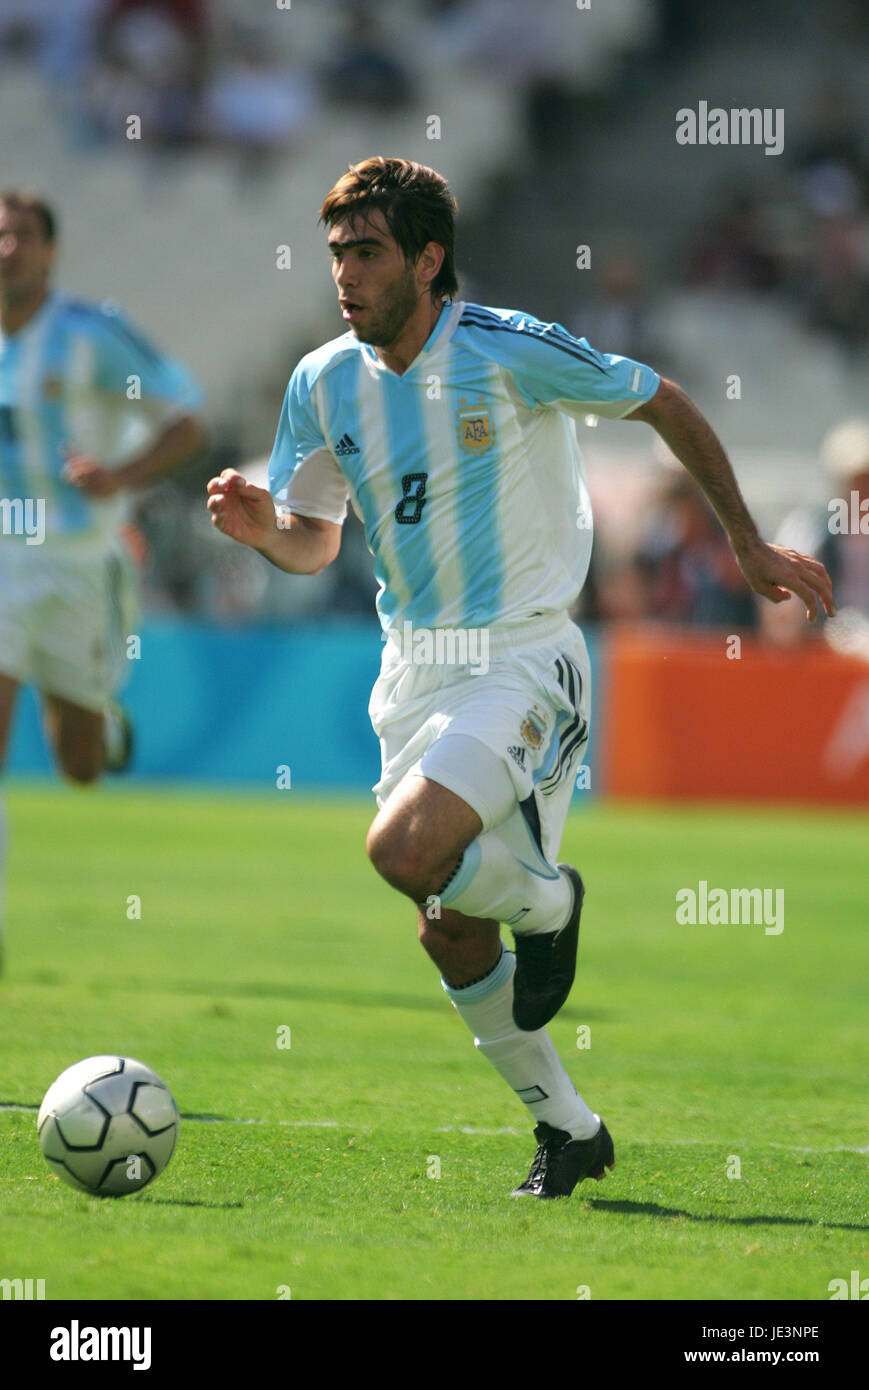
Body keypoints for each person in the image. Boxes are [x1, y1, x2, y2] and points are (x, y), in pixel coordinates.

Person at [206, 157, 834, 1199]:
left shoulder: (502, 349)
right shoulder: (322, 381)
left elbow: (661, 399)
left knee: (404, 849)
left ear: (427, 256)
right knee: (446, 925)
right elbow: (317, 539)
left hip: (522, 657)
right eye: (335, 255)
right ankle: (569, 1128)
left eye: (365, 253)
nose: (344, 276)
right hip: (409, 671)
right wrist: (262, 530)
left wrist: (749, 544)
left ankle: (549, 905)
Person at [0, 189, 205, 968]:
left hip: (78, 564)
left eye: (21, 236)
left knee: (79, 768)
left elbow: (186, 418)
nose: (7, 248)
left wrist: (119, 473)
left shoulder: (91, 336)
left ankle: (105, 723)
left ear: (50, 252)